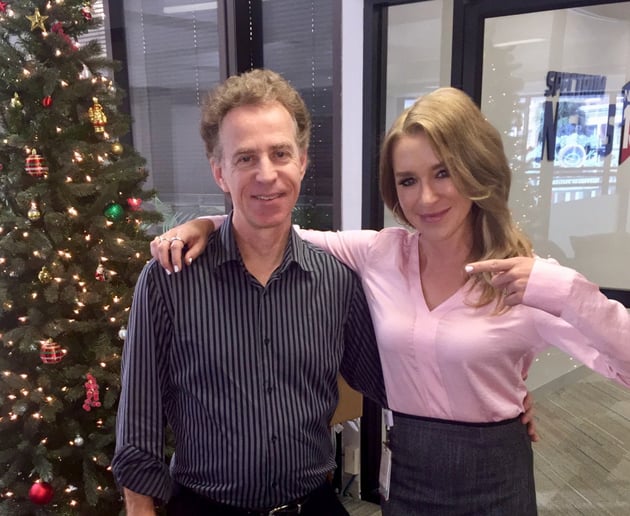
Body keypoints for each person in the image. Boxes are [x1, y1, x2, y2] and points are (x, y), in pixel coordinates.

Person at [153, 86, 630, 515]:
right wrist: (207, 224)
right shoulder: (380, 254)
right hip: (406, 476)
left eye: (443, 172)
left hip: (494, 481)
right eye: (407, 181)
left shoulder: (527, 280)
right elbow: (274, 228)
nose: (426, 198)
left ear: (475, 169)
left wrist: (565, 291)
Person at [111, 68, 388, 516]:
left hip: (312, 505)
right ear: (219, 172)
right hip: (205, 507)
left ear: (302, 161)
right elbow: (138, 423)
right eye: (245, 158)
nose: (267, 174)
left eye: (280, 153)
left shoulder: (337, 281)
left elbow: (390, 382)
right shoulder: (167, 280)